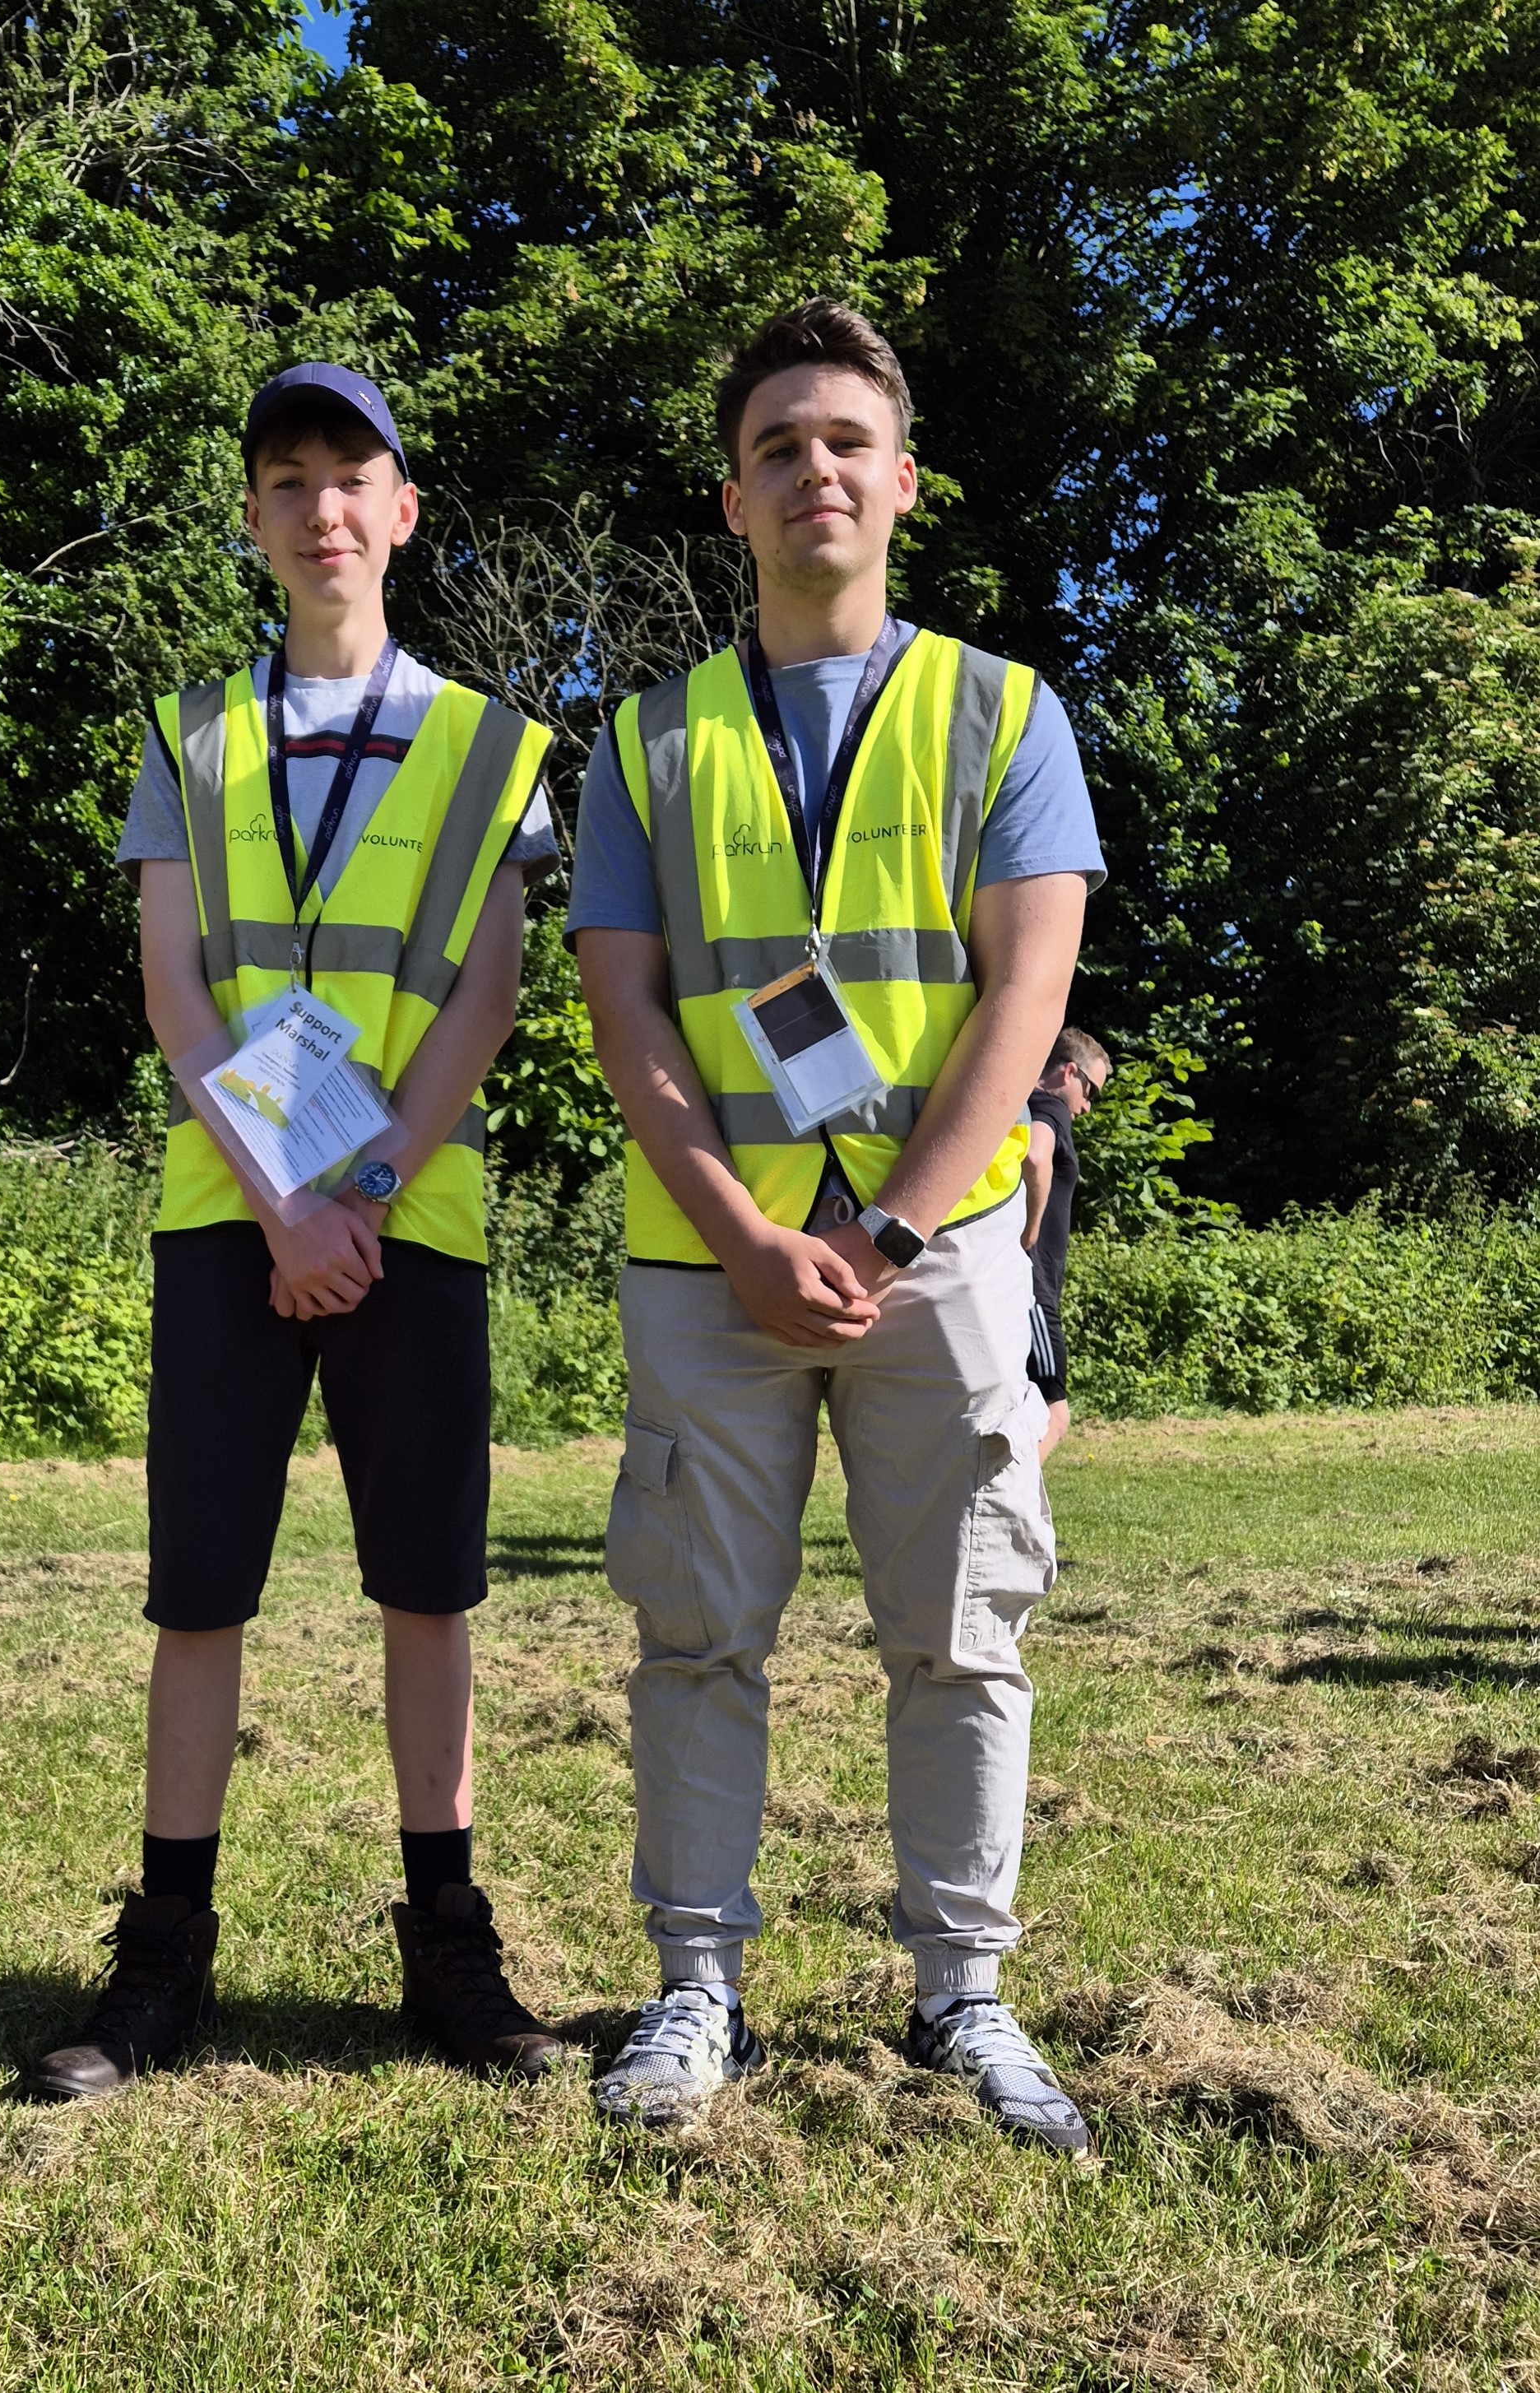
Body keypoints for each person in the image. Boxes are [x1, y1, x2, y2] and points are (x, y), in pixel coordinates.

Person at [568, 300, 1106, 2152]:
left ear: (901, 482)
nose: (816, 468)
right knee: (695, 1633)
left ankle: (963, 1990)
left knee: (960, 1634)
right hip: (702, 1261)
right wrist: (736, 1230)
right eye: (779, 444)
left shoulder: (1005, 712)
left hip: (932, 1258)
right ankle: (693, 1983)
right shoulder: (645, 741)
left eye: (846, 440)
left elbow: (1021, 1005)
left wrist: (871, 1237)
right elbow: (624, 1011)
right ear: (734, 499)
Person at [26, 363, 565, 2101]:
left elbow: (487, 992)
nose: (320, 503)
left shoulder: (498, 744)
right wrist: (281, 1198)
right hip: (228, 1216)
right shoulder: (187, 732)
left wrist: (367, 1191)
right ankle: (162, 1959)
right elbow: (174, 989)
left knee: (429, 1590)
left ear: (403, 509)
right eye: (285, 477)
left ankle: (450, 1946)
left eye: (352, 474)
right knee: (200, 1593)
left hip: (417, 1219)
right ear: (254, 519)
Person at [1022, 1029, 1111, 1461]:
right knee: (1053, 1415)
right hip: (1034, 1292)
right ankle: (1001, 1522)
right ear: (1068, 1072)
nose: (1088, 1106)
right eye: (1090, 1090)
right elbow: (1035, 1156)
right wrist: (1031, 1230)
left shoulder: (1017, 1106)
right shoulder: (1051, 1109)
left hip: (1021, 1285)